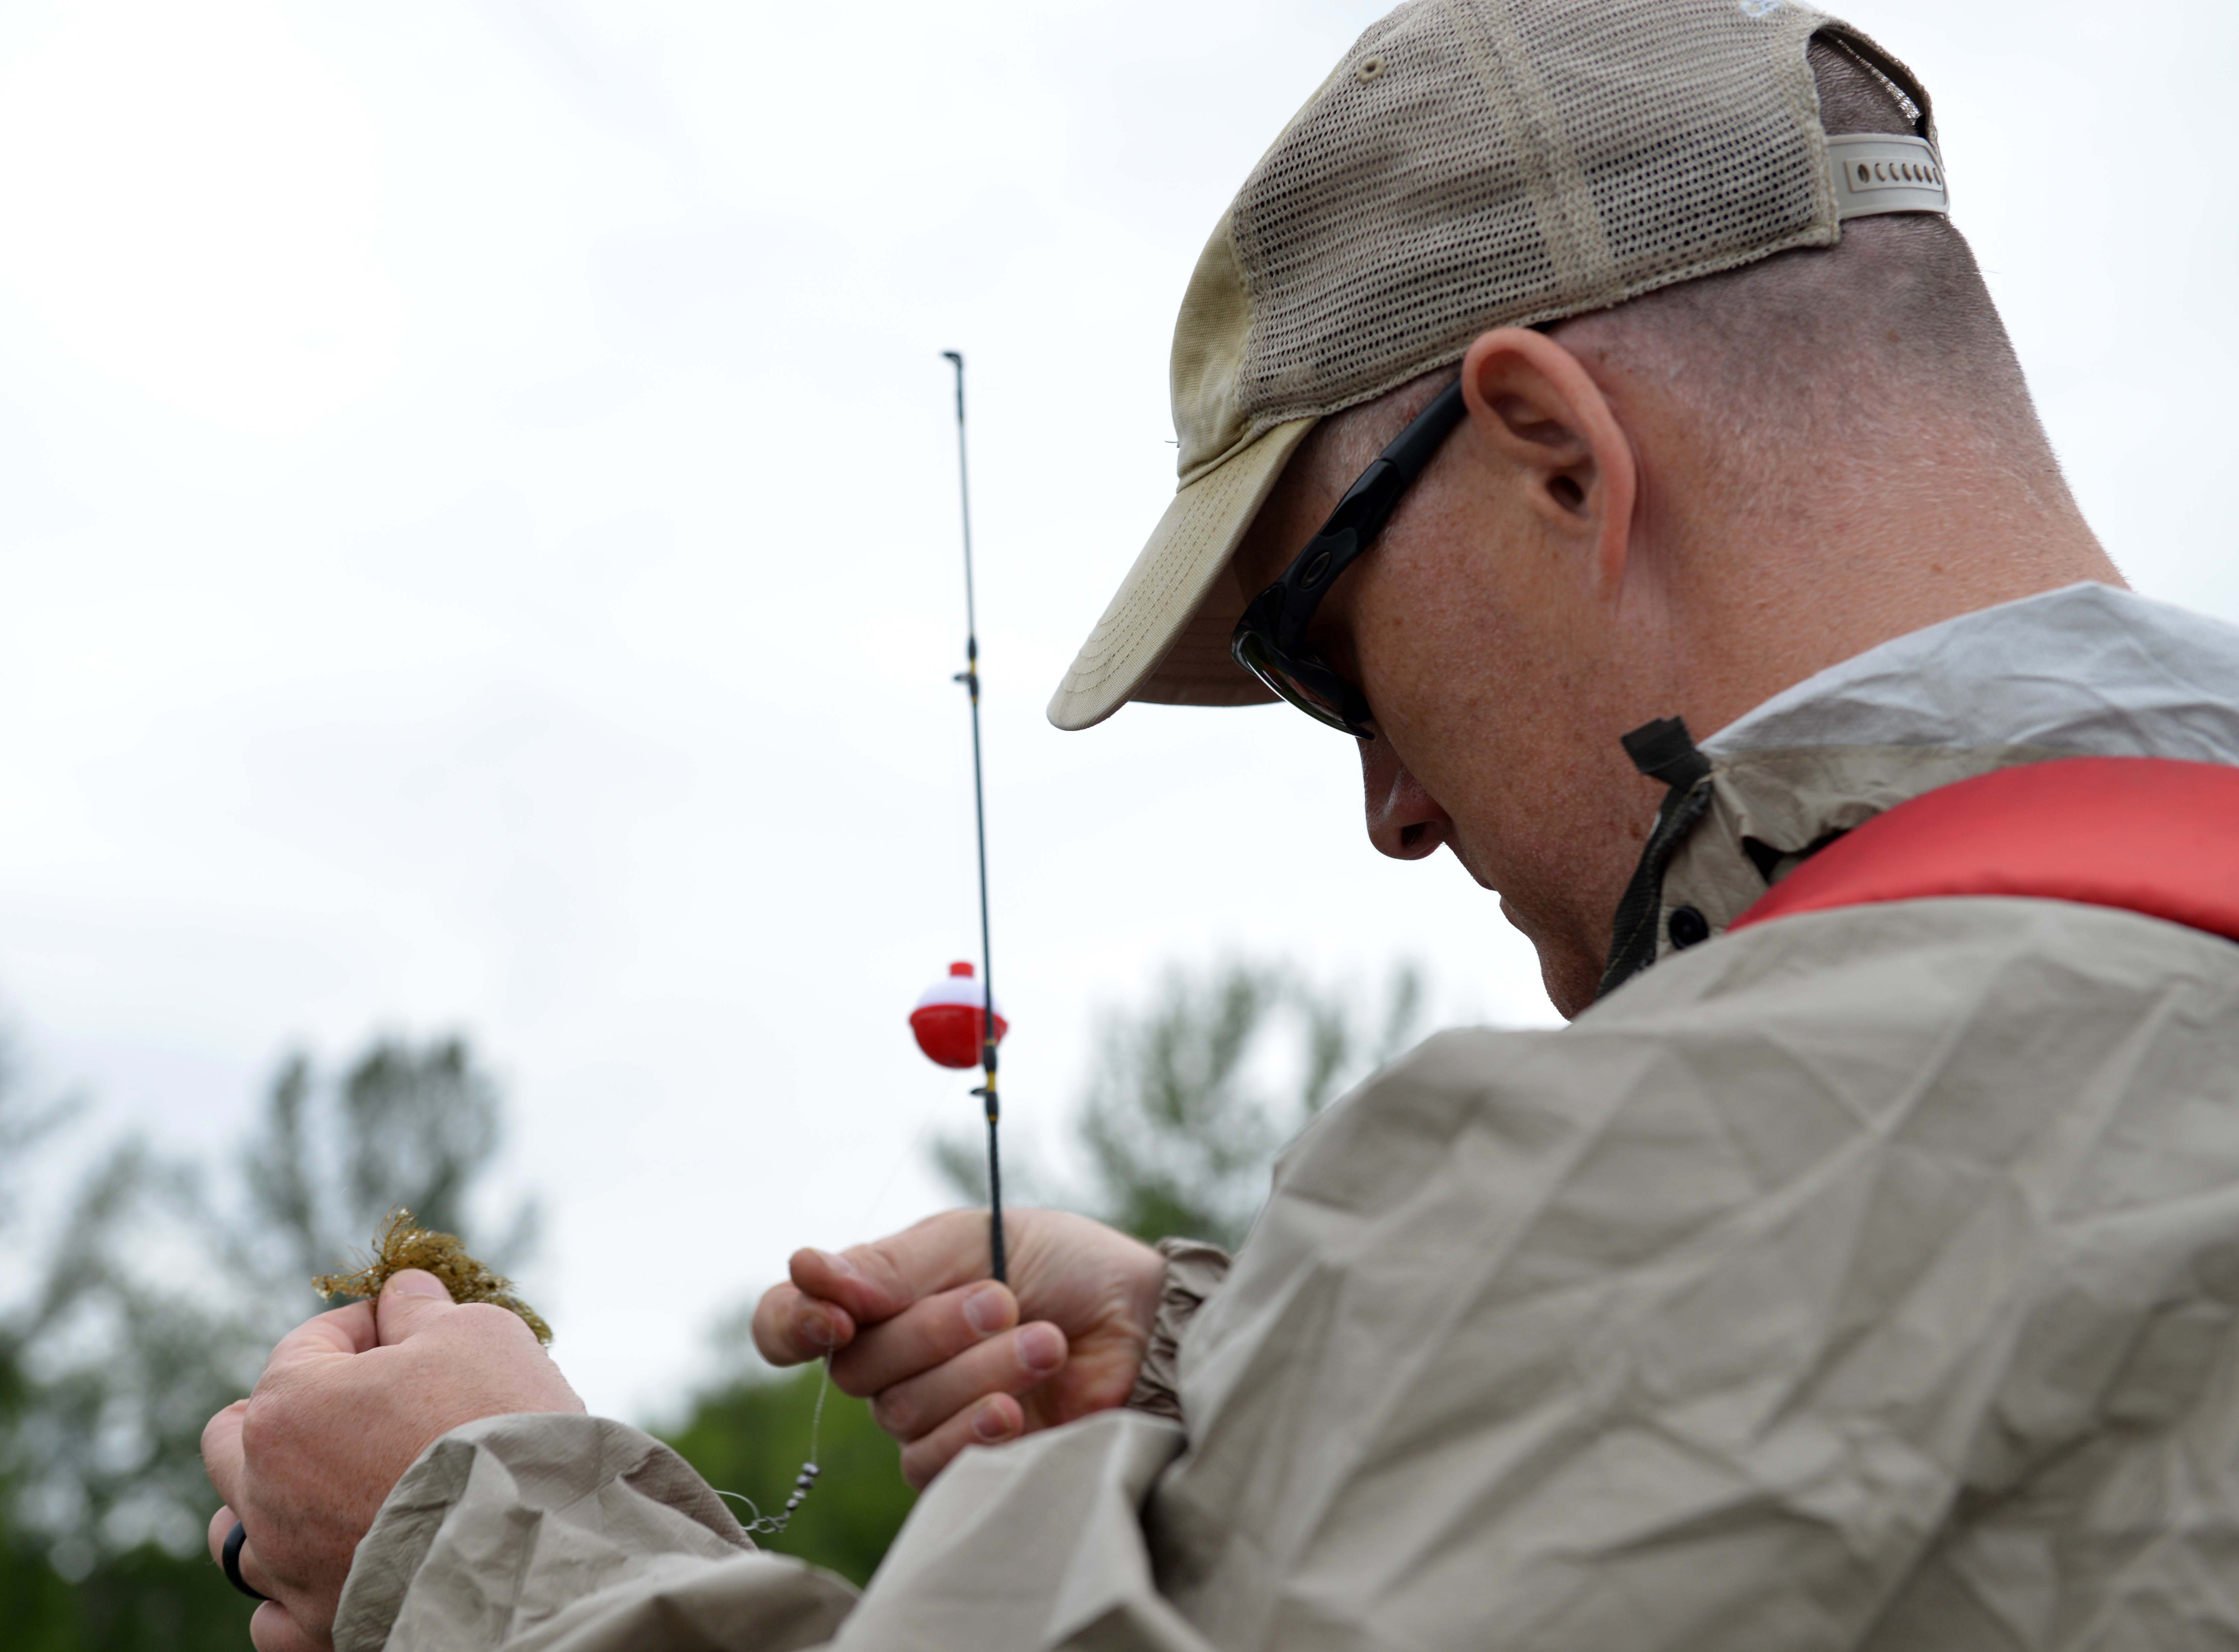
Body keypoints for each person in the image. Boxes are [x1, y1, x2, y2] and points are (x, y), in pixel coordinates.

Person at [200, 3, 2239, 1648]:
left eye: (1322, 647)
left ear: (1555, 455)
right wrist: (1256, 1379)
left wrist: (472, 1544)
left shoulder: (1728, 1145)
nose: (1391, 810)